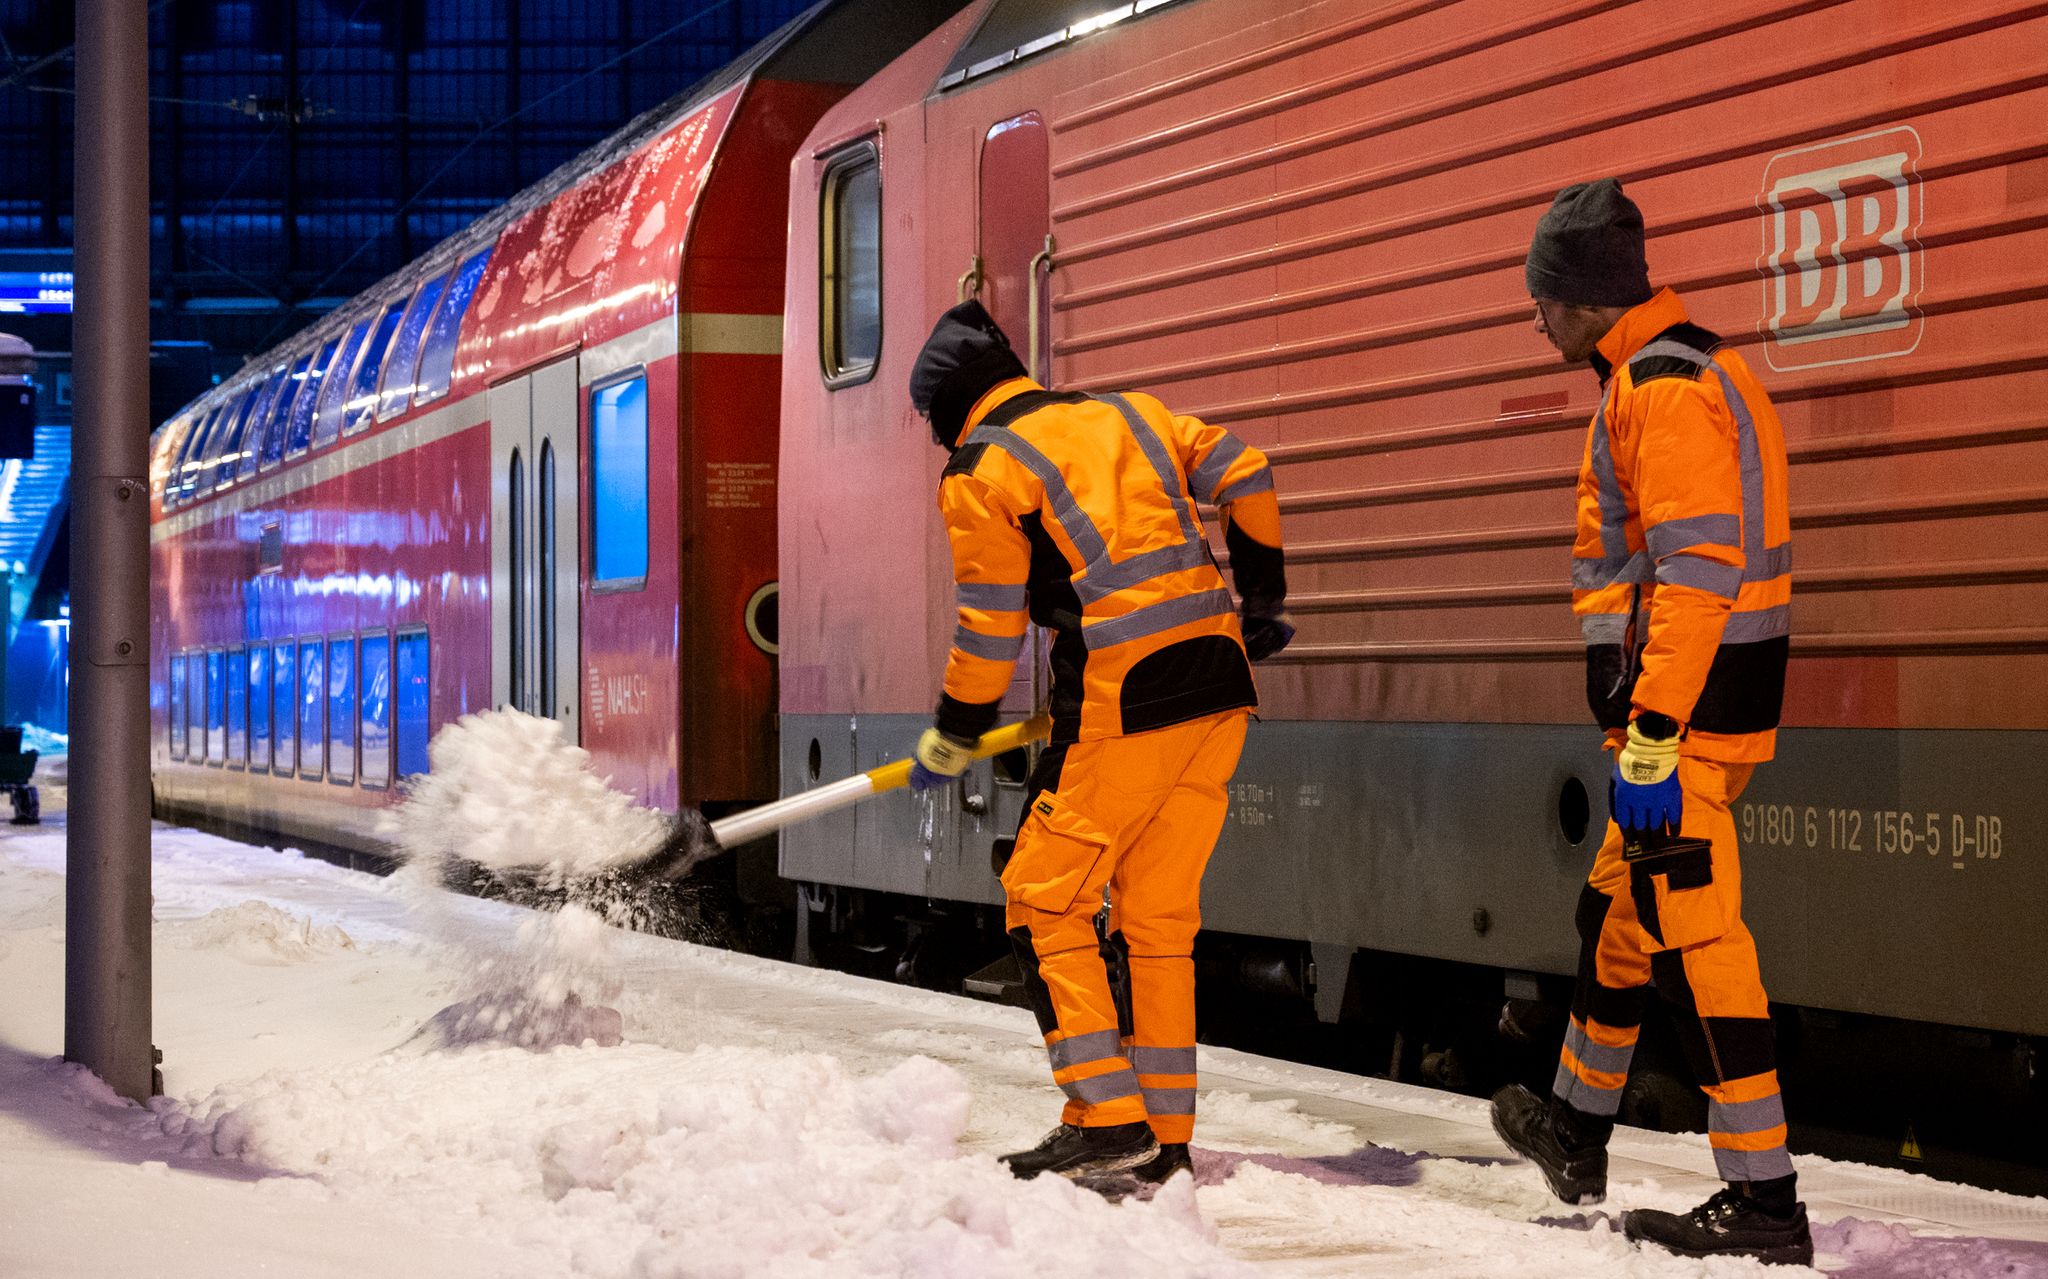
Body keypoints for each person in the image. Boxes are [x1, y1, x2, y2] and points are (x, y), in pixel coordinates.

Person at [1488, 179, 1809, 1266]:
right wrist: (1598, 652)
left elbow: (1696, 570)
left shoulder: (1663, 390)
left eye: (1540, 296)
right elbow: (1618, 544)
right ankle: (1574, 1131)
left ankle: (1762, 1199)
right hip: (1701, 700)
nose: (1533, 316)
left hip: (1695, 713)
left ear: (1580, 299)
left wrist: (1655, 727)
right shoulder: (1664, 370)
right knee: (1617, 918)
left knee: (1699, 939)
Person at [904, 299, 1292, 1189]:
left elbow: (991, 628)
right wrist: (1262, 600)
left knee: (1042, 899)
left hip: (1127, 697)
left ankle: (1105, 1113)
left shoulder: (982, 468)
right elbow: (1249, 468)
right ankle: (1167, 1134)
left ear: (952, 407)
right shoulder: (1130, 412)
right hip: (1223, 689)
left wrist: (954, 732)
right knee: (1157, 922)